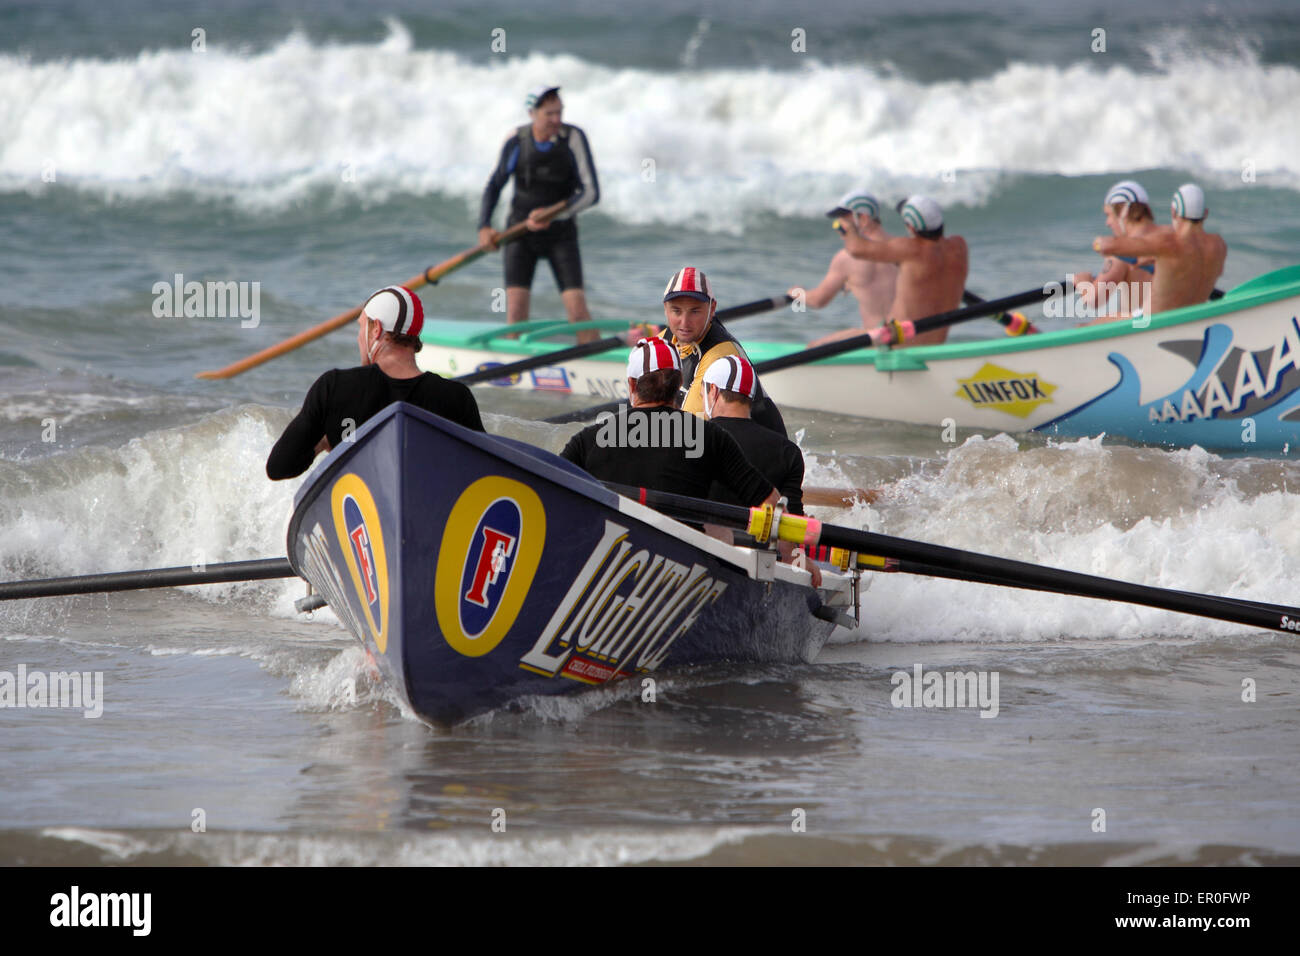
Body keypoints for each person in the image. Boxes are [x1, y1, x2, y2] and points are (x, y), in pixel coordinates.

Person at [266, 285, 484, 480]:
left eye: (361, 327)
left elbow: (279, 468)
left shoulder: (334, 387)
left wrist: (322, 443)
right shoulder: (456, 397)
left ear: (376, 329)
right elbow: (483, 470)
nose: (358, 338)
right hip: (430, 508)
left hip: (358, 508)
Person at [560, 338, 778, 508]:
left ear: (632, 384)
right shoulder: (712, 437)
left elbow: (551, 486)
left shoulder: (587, 439)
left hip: (613, 546)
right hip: (682, 548)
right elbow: (770, 502)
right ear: (680, 383)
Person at [477, 85, 599, 335]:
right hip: (519, 234)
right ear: (532, 113)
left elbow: (591, 192)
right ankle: (512, 359)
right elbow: (494, 185)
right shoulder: (517, 139)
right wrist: (484, 226)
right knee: (516, 314)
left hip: (561, 234)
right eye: (549, 114)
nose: (556, 119)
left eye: (559, 112)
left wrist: (552, 215)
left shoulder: (573, 137)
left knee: (578, 313)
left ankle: (593, 356)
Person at [654, 266, 788, 437]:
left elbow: (686, 432)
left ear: (712, 309)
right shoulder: (661, 341)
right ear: (665, 308)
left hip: (763, 448)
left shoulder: (719, 355)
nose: (684, 322)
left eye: (695, 311)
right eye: (676, 311)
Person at [833, 195, 967, 346]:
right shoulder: (959, 246)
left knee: (820, 344)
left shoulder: (910, 249)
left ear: (911, 228)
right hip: (936, 343)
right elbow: (927, 264)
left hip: (896, 343)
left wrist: (846, 227)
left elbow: (856, 249)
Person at [1091, 184, 1226, 318]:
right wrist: (1159, 261)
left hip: (1152, 321)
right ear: (1205, 213)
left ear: (1173, 212)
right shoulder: (1218, 244)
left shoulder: (1169, 242)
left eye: (1108, 215)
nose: (1107, 223)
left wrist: (1097, 244)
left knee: (1091, 324)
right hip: (1194, 316)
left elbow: (1107, 246)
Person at [788, 190, 898, 347]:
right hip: (909, 336)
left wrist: (796, 293)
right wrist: (852, 282)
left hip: (876, 340)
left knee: (813, 346)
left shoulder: (846, 259)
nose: (838, 228)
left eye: (841, 224)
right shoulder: (905, 248)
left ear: (863, 218)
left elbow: (818, 300)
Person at [702, 355, 806, 516]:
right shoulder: (789, 451)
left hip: (701, 530)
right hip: (758, 532)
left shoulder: (694, 439)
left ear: (713, 391)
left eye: (702, 395)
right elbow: (793, 518)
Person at [1074, 180, 1161, 320]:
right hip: (1173, 317)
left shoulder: (1122, 251)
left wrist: (1082, 282)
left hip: (1141, 326)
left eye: (1108, 215)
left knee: (1084, 326)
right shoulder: (1169, 240)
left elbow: (1094, 300)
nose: (1107, 223)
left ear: (1123, 213)